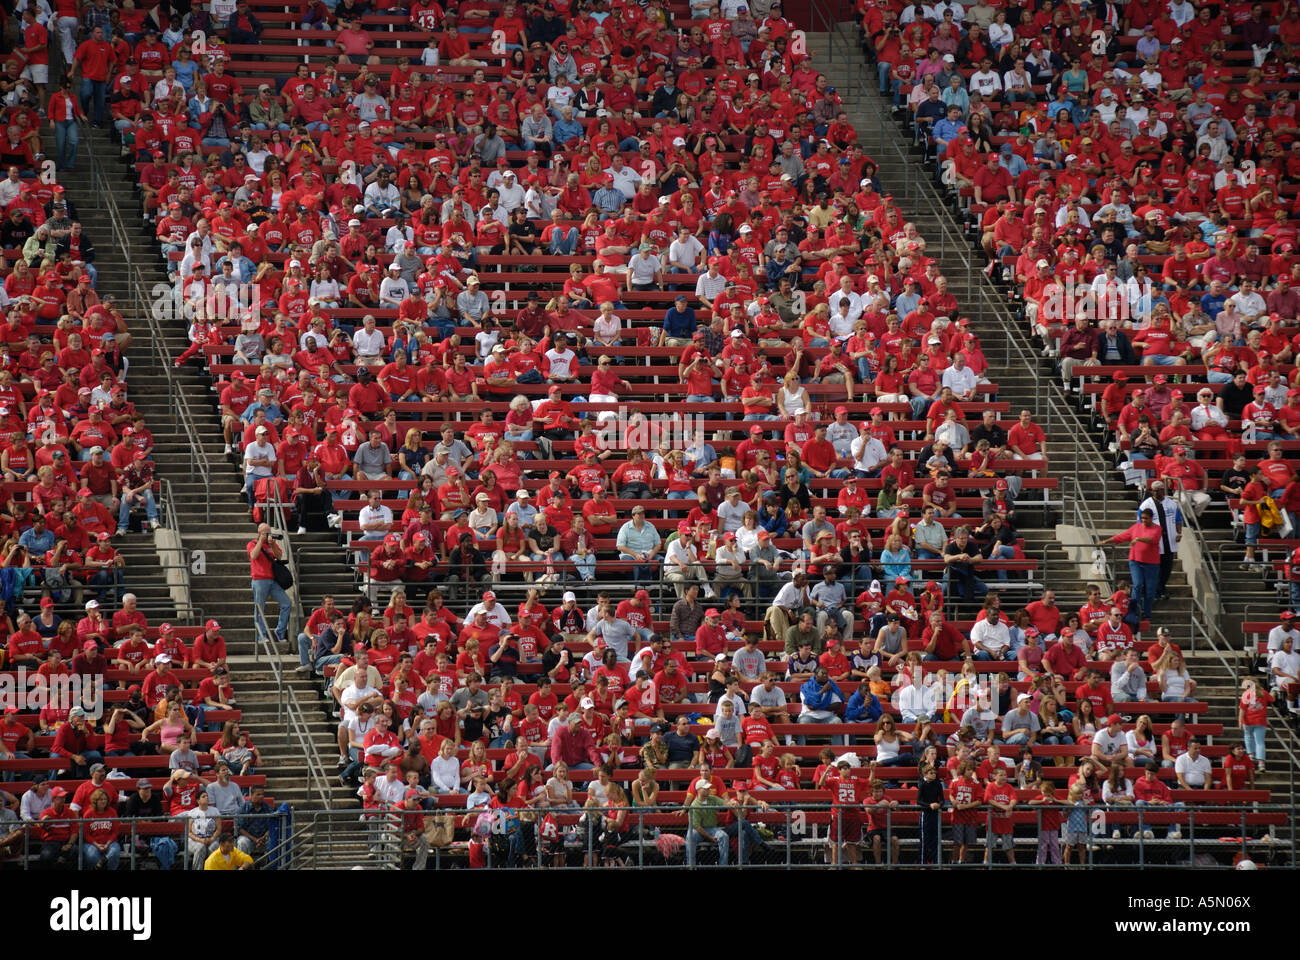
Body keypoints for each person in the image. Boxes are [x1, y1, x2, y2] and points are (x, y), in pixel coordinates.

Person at [248, 522, 292, 641]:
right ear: (260, 533)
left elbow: (279, 556)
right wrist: (261, 541)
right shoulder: (252, 544)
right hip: (259, 580)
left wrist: (272, 545)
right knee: (260, 608)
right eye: (266, 533)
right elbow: (253, 556)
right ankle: (261, 636)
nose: (268, 535)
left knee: (287, 603)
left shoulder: (272, 543)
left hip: (272, 579)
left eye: (269, 532)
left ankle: (279, 631)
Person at [684, 778, 731, 866]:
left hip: (712, 828)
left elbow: (725, 803)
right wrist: (710, 837)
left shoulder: (713, 798)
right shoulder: (694, 805)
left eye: (708, 788)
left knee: (724, 836)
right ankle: (690, 865)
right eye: (705, 788)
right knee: (690, 836)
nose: (708, 790)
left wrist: (732, 803)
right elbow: (697, 827)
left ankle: (723, 865)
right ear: (698, 790)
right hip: (698, 830)